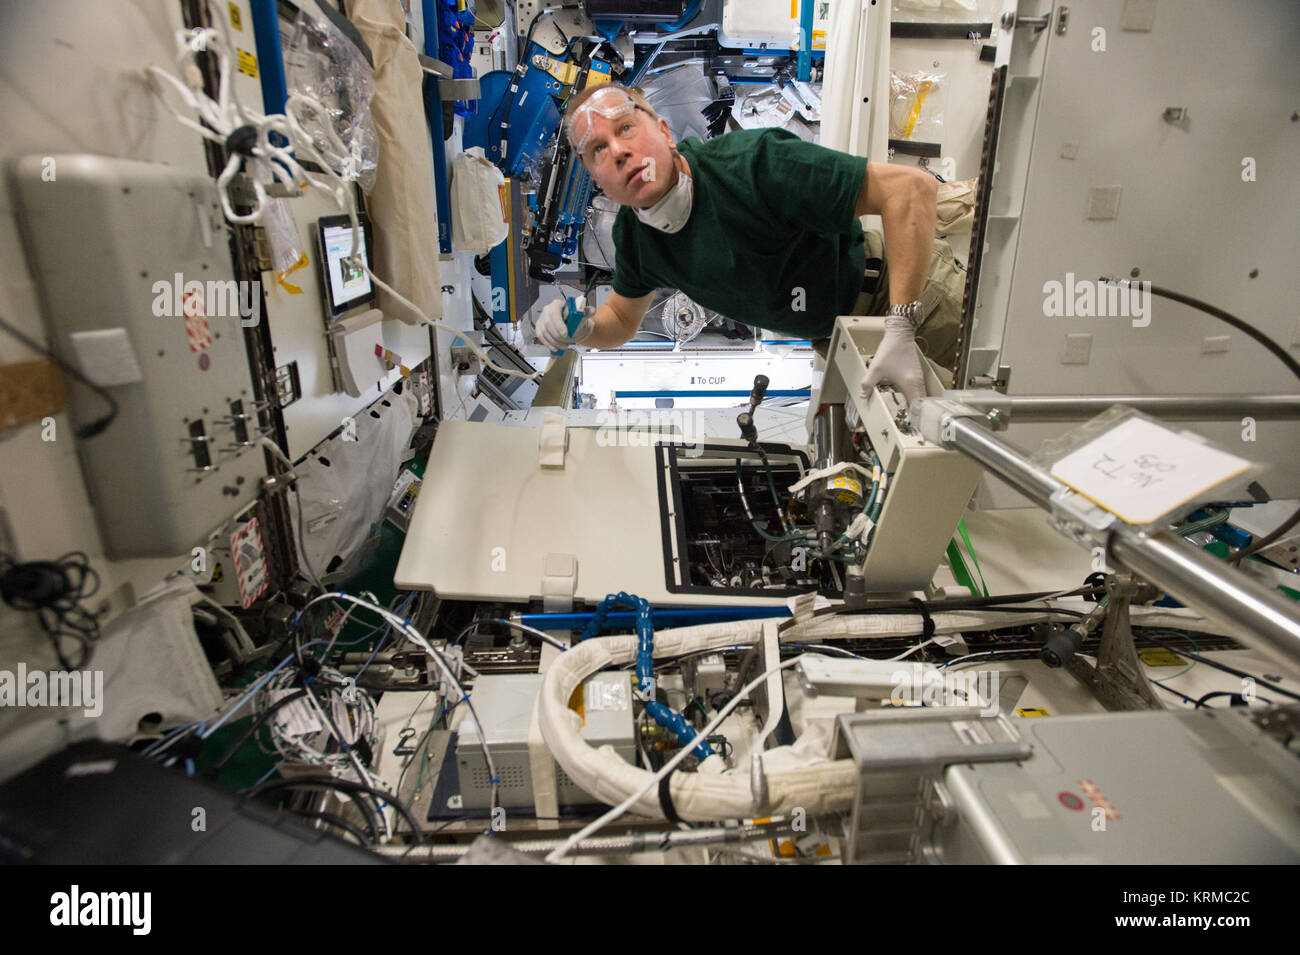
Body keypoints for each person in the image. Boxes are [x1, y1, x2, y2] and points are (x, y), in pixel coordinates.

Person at [534, 83, 966, 402]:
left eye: (626, 128)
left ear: (665, 132)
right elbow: (623, 321)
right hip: (844, 338)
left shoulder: (754, 165)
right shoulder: (635, 237)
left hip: (911, 299)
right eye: (597, 151)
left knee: (1013, 406)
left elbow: (910, 190)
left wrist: (901, 323)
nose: (618, 152)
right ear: (598, 182)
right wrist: (583, 328)